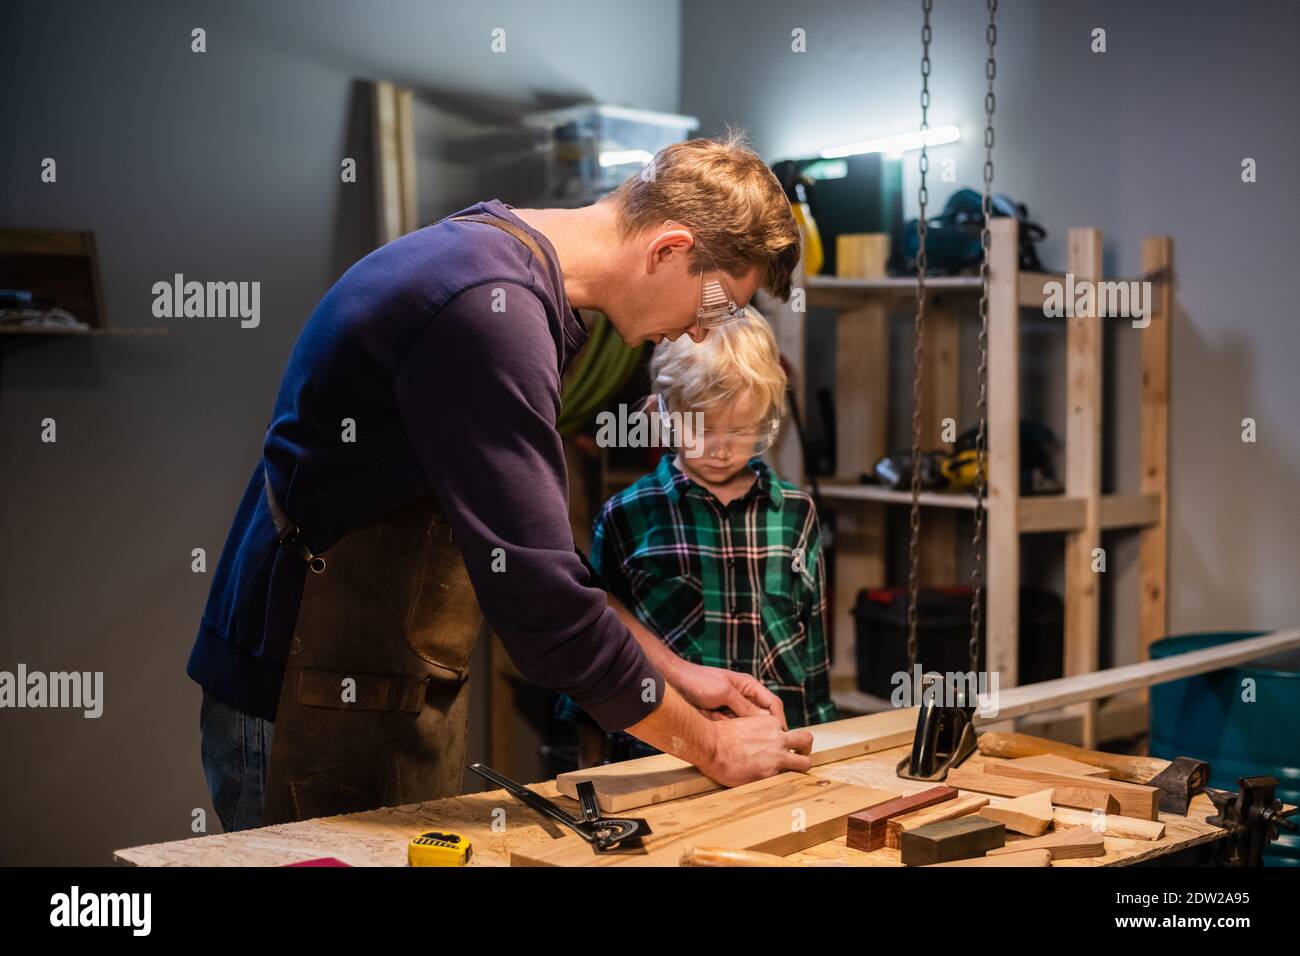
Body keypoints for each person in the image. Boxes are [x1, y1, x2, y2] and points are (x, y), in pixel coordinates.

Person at [188, 131, 810, 832]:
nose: (700, 334)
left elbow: (540, 560)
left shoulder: (496, 263)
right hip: (303, 700)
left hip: (370, 690)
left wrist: (677, 672)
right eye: (713, 305)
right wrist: (715, 745)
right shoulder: (492, 313)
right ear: (667, 249)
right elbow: (546, 615)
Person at [556, 310, 837, 767]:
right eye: (703, 429)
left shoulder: (796, 514)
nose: (722, 449)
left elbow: (815, 664)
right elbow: (600, 649)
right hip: (660, 759)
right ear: (662, 414)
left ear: (768, 416)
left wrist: (823, 749)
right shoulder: (630, 515)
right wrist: (591, 776)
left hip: (774, 758)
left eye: (743, 430)